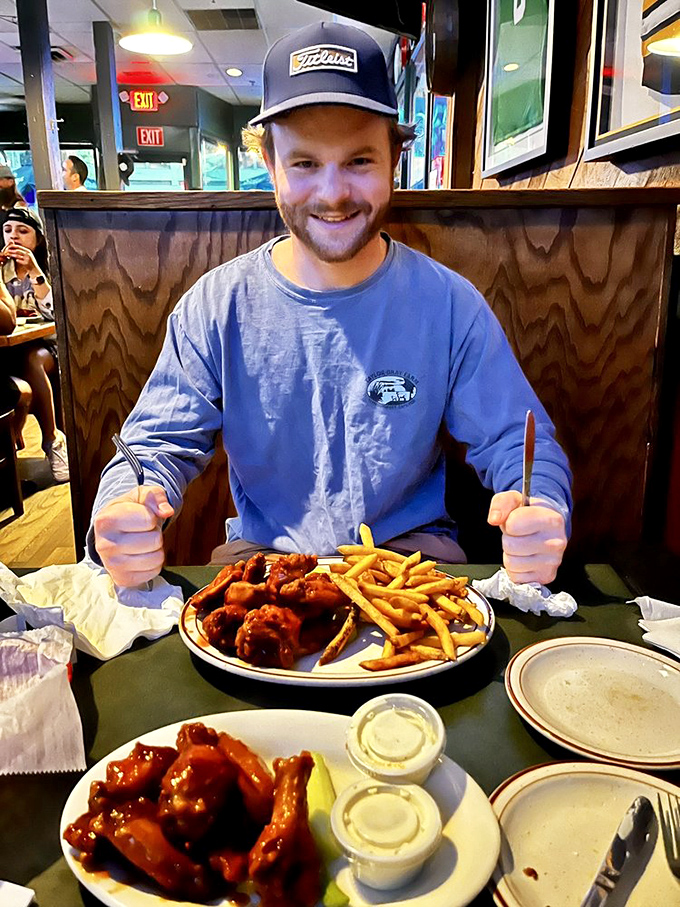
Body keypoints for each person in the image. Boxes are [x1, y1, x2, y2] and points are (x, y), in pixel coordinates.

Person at [91, 21, 571, 589]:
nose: (333, 193)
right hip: (264, 564)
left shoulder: (448, 304)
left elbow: (521, 443)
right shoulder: (216, 306)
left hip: (413, 567)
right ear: (269, 163)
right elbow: (151, 448)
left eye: (360, 161)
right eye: (305, 164)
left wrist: (539, 506)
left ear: (394, 156)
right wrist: (125, 507)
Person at [1, 208, 69, 482]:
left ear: (38, 238)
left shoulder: (50, 264)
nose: (13, 237)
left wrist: (34, 270)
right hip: (8, 349)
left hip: (45, 347)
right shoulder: (1, 269)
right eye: (7, 231)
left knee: (32, 358)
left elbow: (57, 315)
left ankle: (53, 440)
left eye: (22, 231)